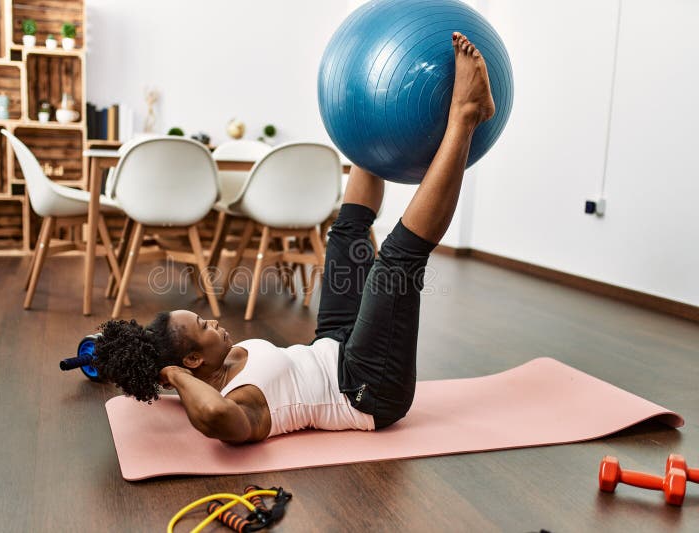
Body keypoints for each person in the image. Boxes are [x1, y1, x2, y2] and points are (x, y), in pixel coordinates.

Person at [93, 32, 495, 443]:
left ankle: (370, 116)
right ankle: (466, 113)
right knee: (395, 262)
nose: (212, 320)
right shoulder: (240, 404)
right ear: (193, 360)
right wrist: (173, 374)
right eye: (203, 325)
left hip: (331, 344)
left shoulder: (221, 358)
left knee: (346, 234)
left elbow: (136, 353)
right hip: (364, 389)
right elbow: (212, 416)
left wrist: (120, 353)